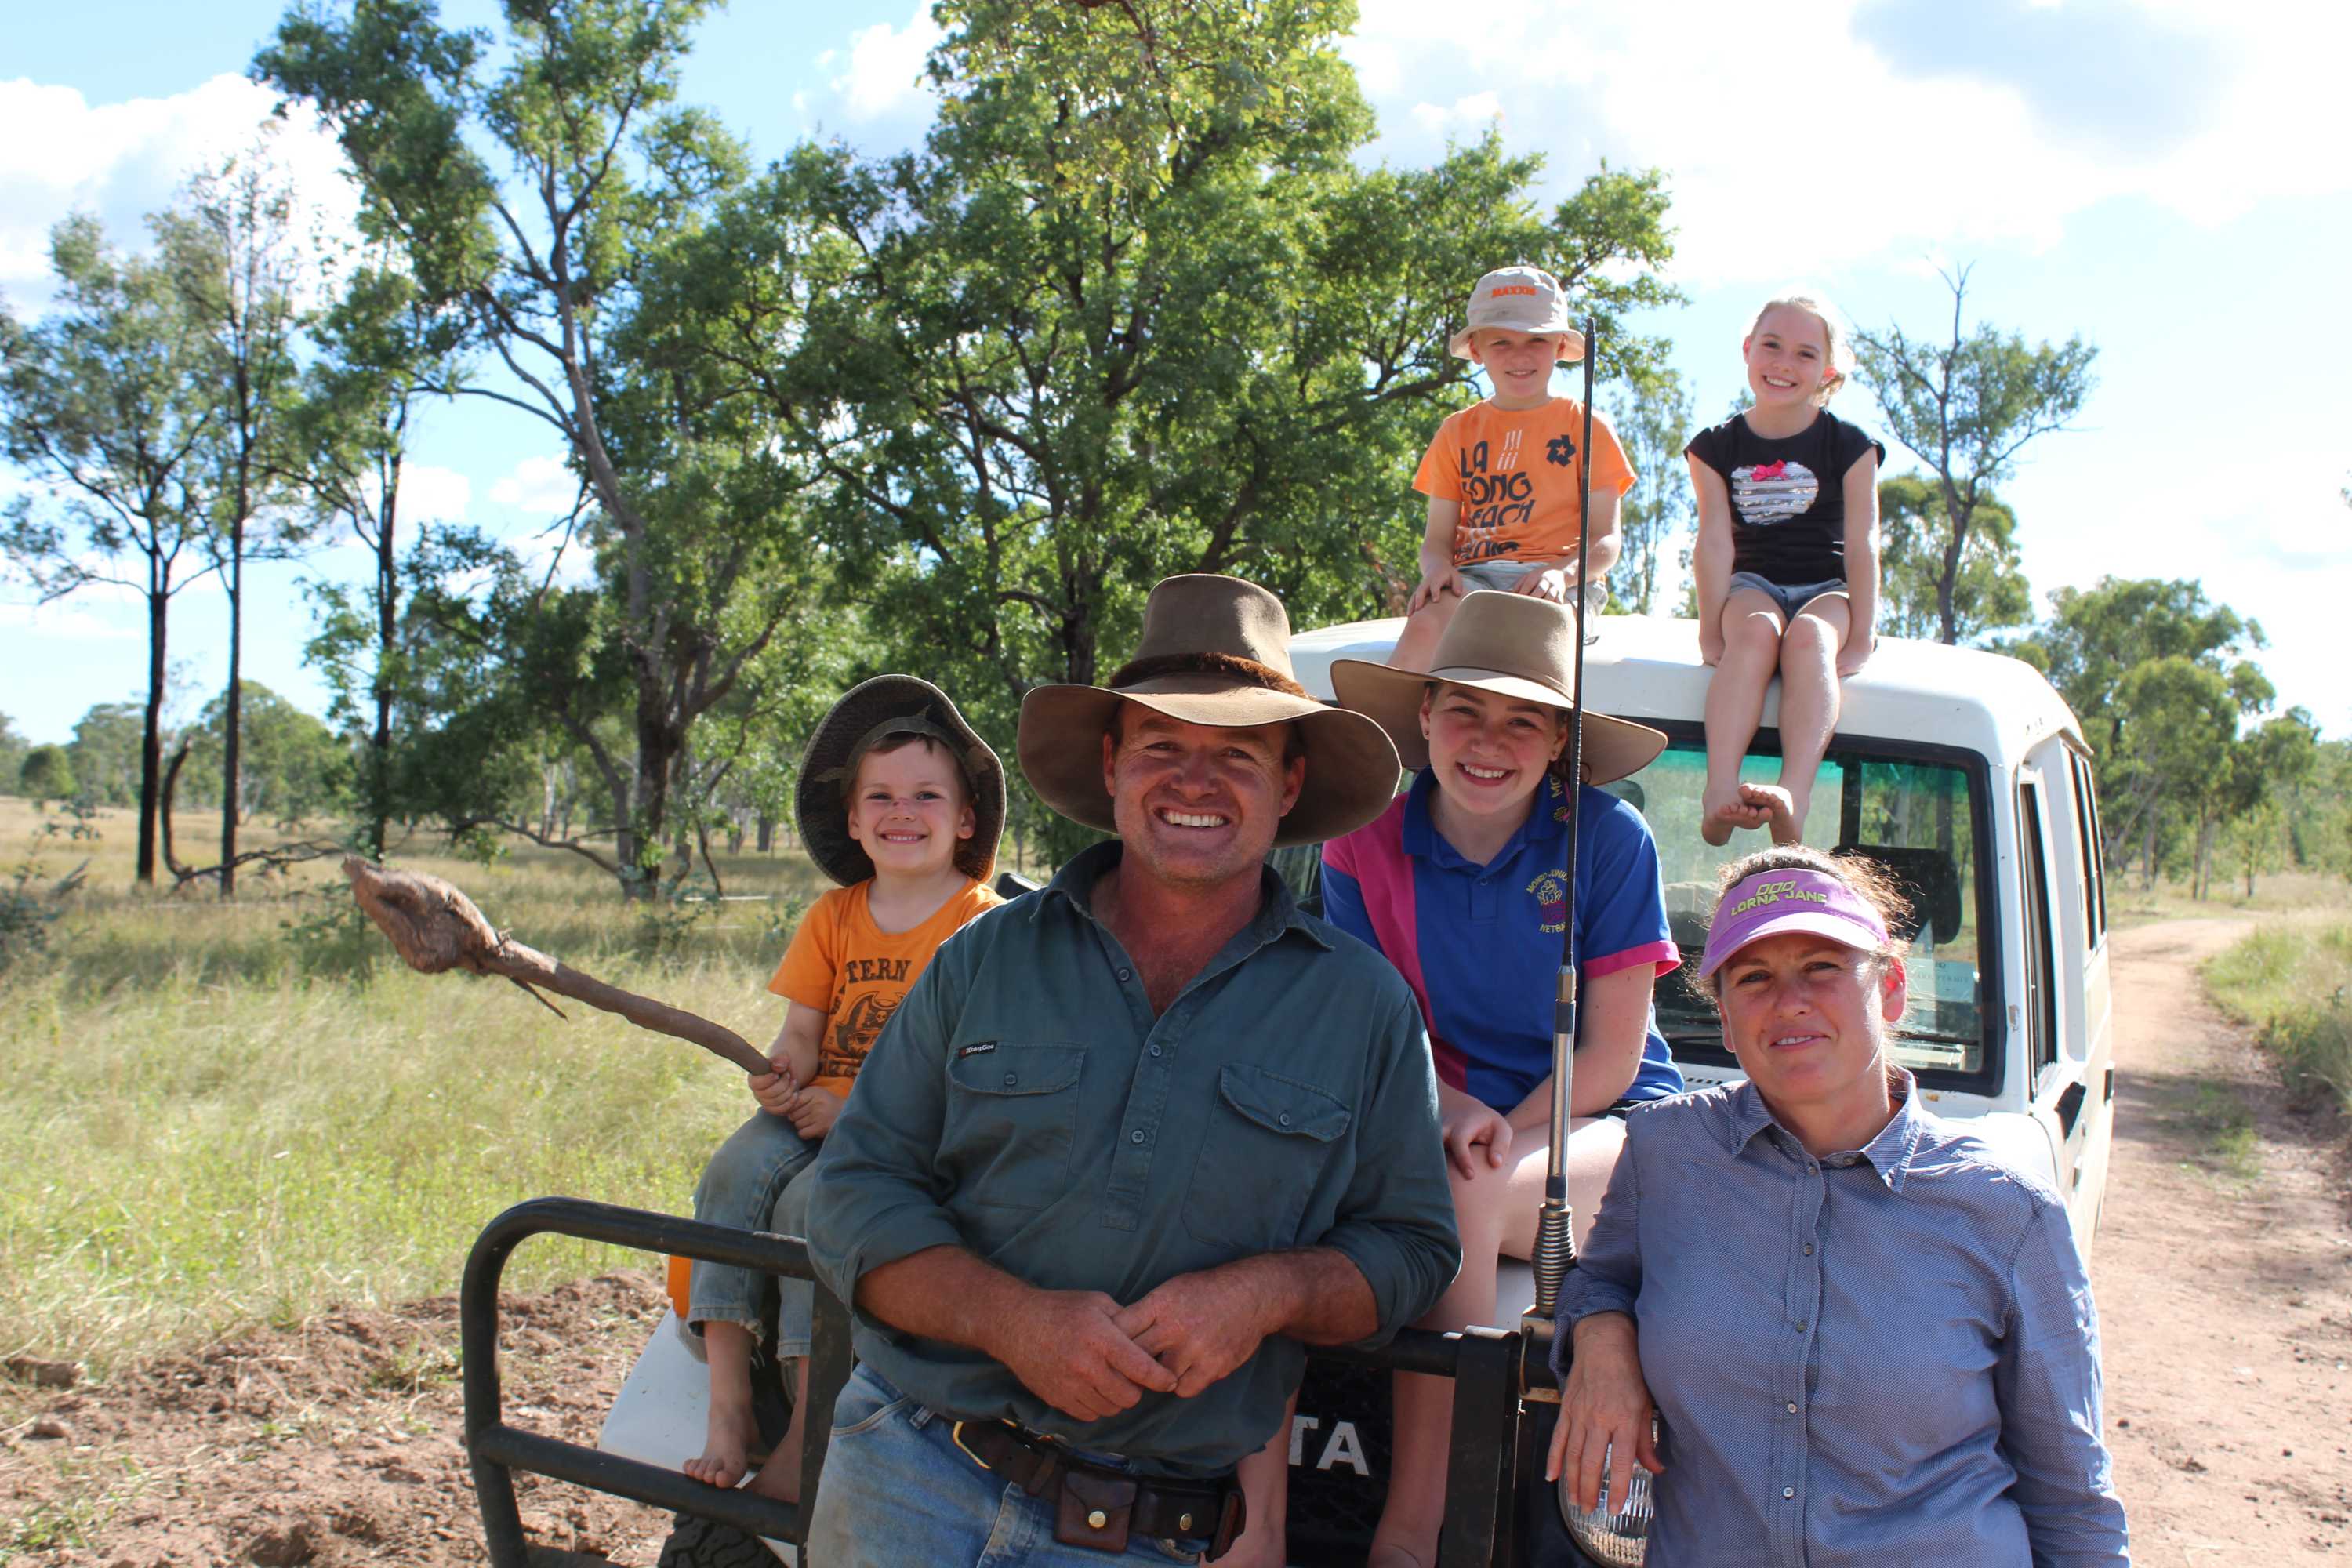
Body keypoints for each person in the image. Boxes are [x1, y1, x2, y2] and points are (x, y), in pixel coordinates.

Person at [802, 574, 1461, 1567]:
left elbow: (1413, 1250)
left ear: (1288, 785)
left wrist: (1267, 1292)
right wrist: (1011, 1319)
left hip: (1154, 1532)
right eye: (1162, 747)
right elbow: (852, 1192)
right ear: (1112, 766)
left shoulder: (1363, 1009)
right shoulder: (981, 959)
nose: (1194, 782)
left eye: (1237, 753)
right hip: (907, 1470)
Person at [1548, 845, 2131, 1566]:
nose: (1789, 1000)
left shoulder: (2006, 1212)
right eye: (1754, 977)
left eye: (1822, 967)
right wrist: (1603, 1345)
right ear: (1726, 1022)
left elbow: (2072, 1501)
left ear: (1889, 990)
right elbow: (1602, 1277)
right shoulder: (1668, 1152)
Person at [1319, 588, 1682, 1568]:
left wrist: (1497, 1134)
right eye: (1467, 710)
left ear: (1561, 737)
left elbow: (1609, 1057)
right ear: (1425, 715)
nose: (1490, 739)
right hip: (1426, 1119)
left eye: (1524, 717)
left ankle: (1419, 1530)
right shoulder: (1359, 844)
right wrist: (1452, 1110)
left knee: (1466, 1185)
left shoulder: (1605, 840)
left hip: (1603, 1130)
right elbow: (1367, 1030)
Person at [682, 675, 1006, 1501]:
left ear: (964, 818)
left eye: (927, 794)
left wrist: (854, 1113)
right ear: (855, 819)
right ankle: (727, 1405)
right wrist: (783, 1074)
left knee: (812, 1210)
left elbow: (968, 1069)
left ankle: (804, 1422)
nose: (904, 811)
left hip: (908, 1135)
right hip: (815, 1107)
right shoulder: (833, 916)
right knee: (730, 1171)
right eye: (883, 797)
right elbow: (802, 1032)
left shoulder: (981, 920)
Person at [1688, 293, 1885, 847]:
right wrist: (1709, 627)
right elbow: (1715, 540)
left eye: (1804, 354)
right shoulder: (1715, 447)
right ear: (1748, 350)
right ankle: (1719, 788)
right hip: (1752, 585)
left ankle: (1794, 793)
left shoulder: (1850, 445)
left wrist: (1864, 631)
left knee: (1810, 641)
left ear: (1826, 370)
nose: (1783, 363)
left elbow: (1864, 540)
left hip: (1828, 587)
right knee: (1754, 633)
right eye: (1772, 346)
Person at [1391, 264, 1636, 673]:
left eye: (1536, 339)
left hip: (1561, 580)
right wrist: (1436, 569)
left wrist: (1563, 573)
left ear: (1560, 346)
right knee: (1424, 626)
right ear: (1475, 350)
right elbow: (1436, 539)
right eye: (1501, 341)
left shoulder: (1588, 425)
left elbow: (1606, 540)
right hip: (1474, 577)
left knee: (1533, 644)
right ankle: (1385, 735)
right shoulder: (1456, 431)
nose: (1520, 355)